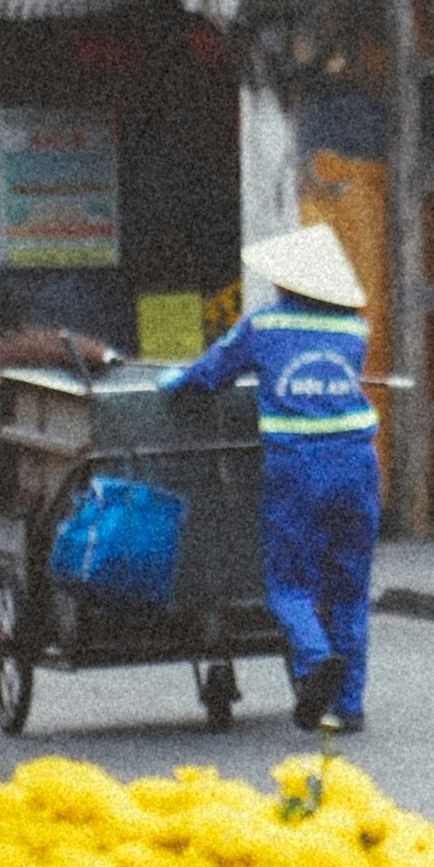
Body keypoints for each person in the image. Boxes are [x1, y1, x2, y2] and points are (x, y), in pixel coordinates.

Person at [162, 223, 380, 733]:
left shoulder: (265, 326)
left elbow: (206, 376)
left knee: (289, 585)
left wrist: (172, 384)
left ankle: (314, 660)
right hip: (359, 464)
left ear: (288, 284)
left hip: (299, 468)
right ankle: (348, 704)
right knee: (349, 589)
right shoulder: (356, 330)